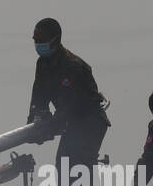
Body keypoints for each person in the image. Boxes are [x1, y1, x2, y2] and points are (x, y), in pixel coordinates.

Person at [26, 18, 110, 173]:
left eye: (41, 40)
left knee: (78, 167)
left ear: (55, 40)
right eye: (35, 40)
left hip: (90, 121)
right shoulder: (42, 64)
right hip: (72, 122)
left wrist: (49, 126)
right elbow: (39, 95)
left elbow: (71, 104)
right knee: (63, 167)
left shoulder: (72, 66)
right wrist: (34, 121)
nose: (37, 44)